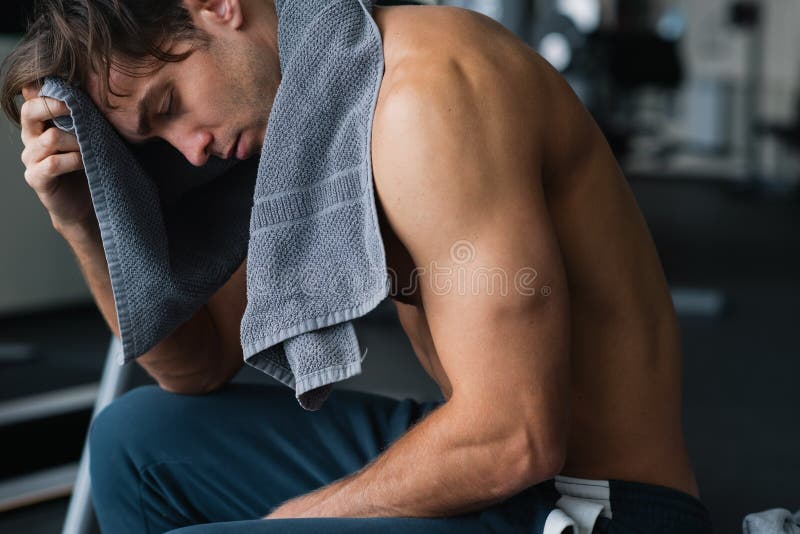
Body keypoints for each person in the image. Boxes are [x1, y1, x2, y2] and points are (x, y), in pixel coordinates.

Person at [0, 0, 713, 532]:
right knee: (134, 440)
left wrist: (293, 520)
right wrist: (83, 220)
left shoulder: (423, 98)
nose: (189, 149)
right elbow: (196, 368)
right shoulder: (311, 116)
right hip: (516, 469)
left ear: (216, 6)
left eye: (169, 105)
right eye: (155, 137)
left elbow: (513, 437)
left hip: (599, 508)